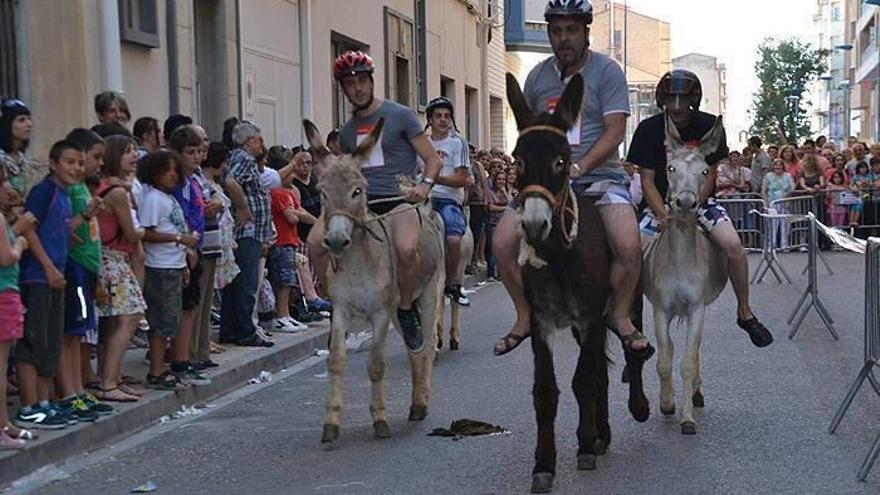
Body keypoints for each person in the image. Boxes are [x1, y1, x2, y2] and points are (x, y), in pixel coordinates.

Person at [491, 0, 652, 358]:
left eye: (571, 30)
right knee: (501, 243)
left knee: (628, 244)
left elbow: (615, 131)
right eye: (556, 31)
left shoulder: (608, 73)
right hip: (546, 182)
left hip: (600, 178)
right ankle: (524, 315)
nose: (563, 39)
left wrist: (582, 167)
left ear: (586, 32)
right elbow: (531, 130)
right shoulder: (537, 77)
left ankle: (621, 314)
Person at [628, 69, 774, 348]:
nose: (678, 107)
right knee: (630, 253)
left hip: (703, 204)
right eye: (672, 100)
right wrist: (663, 215)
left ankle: (745, 313)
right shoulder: (648, 129)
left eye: (684, 101)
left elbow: (712, 174)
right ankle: (632, 329)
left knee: (734, 247)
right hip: (658, 206)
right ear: (662, 100)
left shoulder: (709, 125)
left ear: (694, 101)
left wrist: (695, 207)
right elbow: (646, 181)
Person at [311, 50, 443, 352]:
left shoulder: (401, 116)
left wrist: (424, 186)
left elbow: (432, 159)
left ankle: (407, 308)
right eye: (349, 83)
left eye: (361, 80)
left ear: (371, 81)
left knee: (407, 249)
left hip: (398, 200)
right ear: (342, 89)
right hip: (359, 204)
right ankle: (337, 304)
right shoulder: (345, 132)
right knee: (316, 241)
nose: (357, 88)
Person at [14, 140, 82, 430]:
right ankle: (29, 406)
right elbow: (28, 227)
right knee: (34, 342)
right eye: (69, 162)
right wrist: (48, 266)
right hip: (38, 277)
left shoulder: (64, 195)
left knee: (51, 343)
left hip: (57, 276)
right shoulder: (44, 192)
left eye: (79, 163)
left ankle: (44, 402)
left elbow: (59, 229)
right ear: (53, 164)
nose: (75, 168)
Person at [139, 151, 200, 390]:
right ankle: (156, 370)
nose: (173, 175)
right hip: (159, 266)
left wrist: (183, 262)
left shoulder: (169, 198)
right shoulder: (153, 199)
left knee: (170, 321)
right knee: (161, 322)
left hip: (173, 265)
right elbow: (147, 232)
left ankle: (161, 368)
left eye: (176, 170)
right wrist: (178, 238)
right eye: (167, 171)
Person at [94, 135, 147, 401]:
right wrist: (142, 229)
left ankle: (112, 377)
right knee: (130, 318)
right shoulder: (117, 192)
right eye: (128, 152)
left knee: (115, 322)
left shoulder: (111, 187)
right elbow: (131, 232)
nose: (135, 156)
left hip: (109, 259)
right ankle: (108, 382)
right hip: (114, 259)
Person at [220, 121, 276, 348]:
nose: (262, 144)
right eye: (259, 139)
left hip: (251, 231)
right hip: (247, 230)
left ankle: (232, 328)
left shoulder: (242, 158)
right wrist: (243, 207)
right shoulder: (244, 158)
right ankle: (244, 330)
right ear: (249, 141)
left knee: (238, 282)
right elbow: (231, 181)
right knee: (246, 282)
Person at [167, 126, 212, 384]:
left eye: (198, 151)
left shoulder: (192, 180)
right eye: (190, 152)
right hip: (181, 250)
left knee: (191, 305)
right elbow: (177, 217)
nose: (196, 157)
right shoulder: (174, 183)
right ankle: (178, 359)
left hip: (197, 245)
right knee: (181, 306)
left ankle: (186, 357)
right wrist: (187, 247)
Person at [423, 96, 472, 306]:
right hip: (422, 198)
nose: (443, 120)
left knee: (453, 239)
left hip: (447, 200)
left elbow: (462, 178)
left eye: (447, 116)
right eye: (438, 116)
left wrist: (435, 178)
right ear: (430, 119)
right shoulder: (422, 142)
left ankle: (452, 284)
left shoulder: (457, 143)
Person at [0, 165, 34, 447]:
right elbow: (6, 258)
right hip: (4, 293)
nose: (8, 189)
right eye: (4, 183)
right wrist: (20, 242)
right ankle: (1, 426)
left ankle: (5, 424)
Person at [267, 147, 309, 332]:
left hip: (291, 241)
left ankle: (286, 314)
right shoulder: (276, 194)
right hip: (281, 242)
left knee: (290, 280)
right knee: (283, 280)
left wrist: (319, 222)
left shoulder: (291, 193)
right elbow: (292, 217)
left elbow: (300, 213)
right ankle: (281, 315)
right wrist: (296, 214)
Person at [0, 98, 33, 198]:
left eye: (29, 119)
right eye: (21, 120)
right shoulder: (1, 159)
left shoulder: (21, 158)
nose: (29, 124)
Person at [761, 159, 795, 250]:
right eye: (776, 165)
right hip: (772, 203)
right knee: (772, 225)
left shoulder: (788, 176)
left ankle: (784, 245)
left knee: (784, 225)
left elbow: (792, 188)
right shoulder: (768, 176)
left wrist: (787, 197)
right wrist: (765, 202)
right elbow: (764, 190)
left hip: (784, 203)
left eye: (780, 165)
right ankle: (771, 245)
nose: (778, 167)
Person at [485, 169, 510, 281]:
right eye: (499, 179)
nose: (501, 181)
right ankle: (491, 273)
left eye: (503, 179)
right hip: (493, 223)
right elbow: (491, 207)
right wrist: (504, 208)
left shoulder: (506, 192)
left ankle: (501, 273)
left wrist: (505, 191)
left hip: (504, 224)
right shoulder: (490, 192)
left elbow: (511, 204)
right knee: (492, 250)